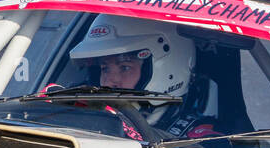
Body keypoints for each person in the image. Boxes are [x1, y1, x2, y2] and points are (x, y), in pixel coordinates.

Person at [67, 16, 221, 138]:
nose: (109, 82)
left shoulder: (200, 142)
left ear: (168, 69)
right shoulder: (83, 120)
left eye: (124, 68)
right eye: (105, 68)